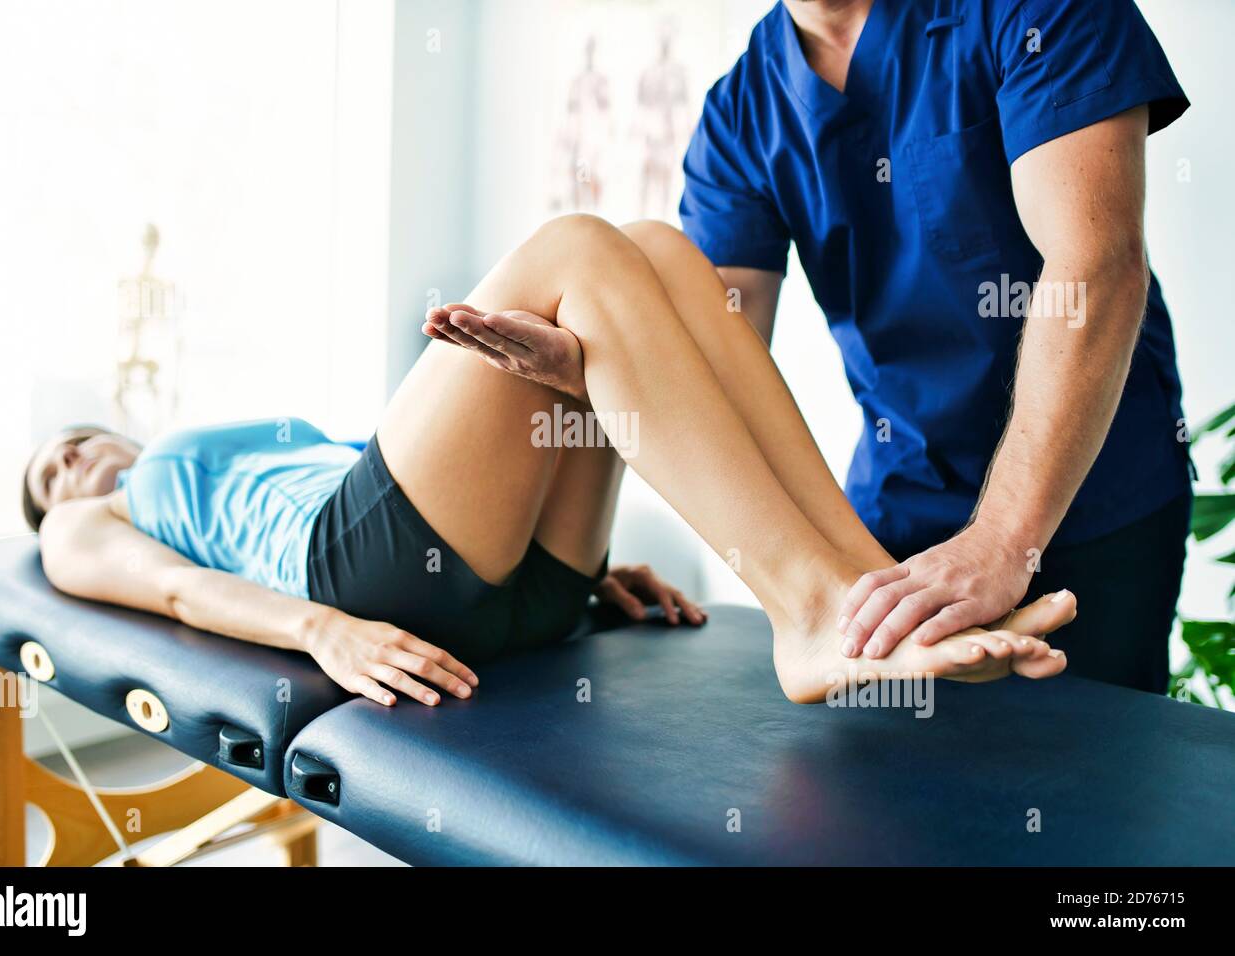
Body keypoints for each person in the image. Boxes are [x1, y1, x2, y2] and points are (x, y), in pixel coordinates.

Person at [437, 0, 1191, 694]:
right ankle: (810, 622)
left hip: (1095, 507)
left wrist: (1002, 540)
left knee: (1087, 805)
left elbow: (1095, 266)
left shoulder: (1035, 10)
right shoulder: (743, 111)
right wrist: (593, 370)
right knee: (895, 818)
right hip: (892, 520)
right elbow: (713, 361)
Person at [26, 215, 1071, 709]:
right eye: (45, 475)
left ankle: (862, 600)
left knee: (663, 253)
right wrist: (322, 628)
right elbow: (176, 589)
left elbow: (443, 490)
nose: (65, 463)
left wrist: (593, 577)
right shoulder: (102, 512)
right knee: (573, 245)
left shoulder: (237, 448)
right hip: (357, 581)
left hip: (514, 584)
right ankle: (806, 615)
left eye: (71, 444)